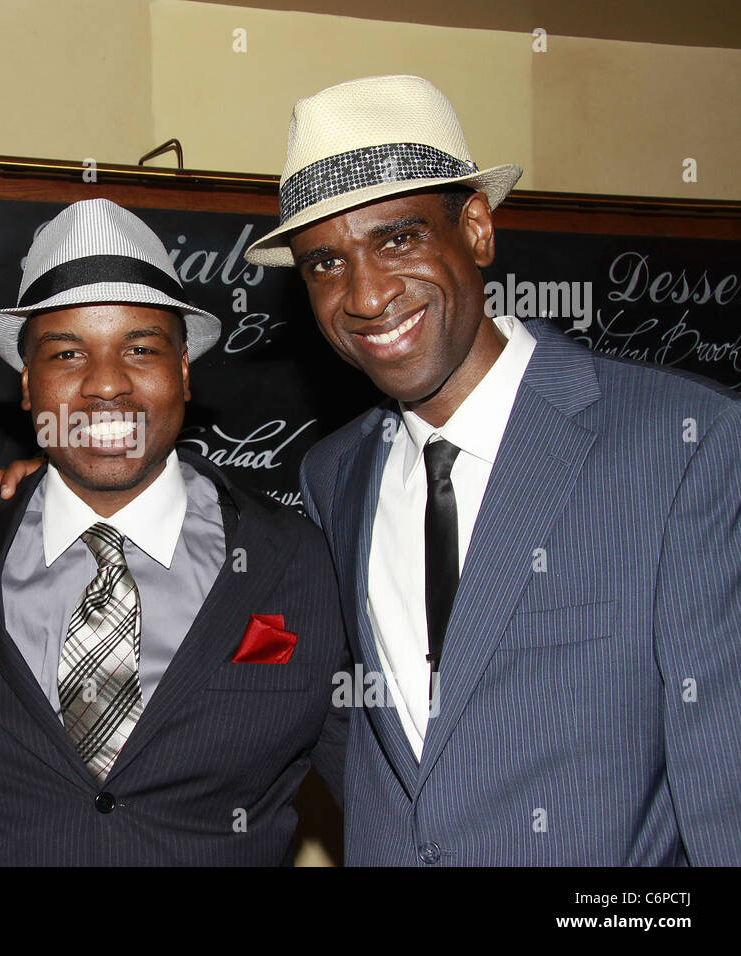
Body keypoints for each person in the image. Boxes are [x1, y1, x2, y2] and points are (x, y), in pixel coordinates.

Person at [239, 73, 741, 865]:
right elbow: (374, 734)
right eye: (325, 264)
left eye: (397, 238)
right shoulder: (333, 476)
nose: (365, 296)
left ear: (476, 230)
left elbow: (725, 780)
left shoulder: (684, 445)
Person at [0, 198, 349, 865]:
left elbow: (385, 793)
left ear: (183, 372)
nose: (106, 384)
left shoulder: (305, 561)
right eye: (67, 354)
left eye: (140, 349)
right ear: (27, 386)